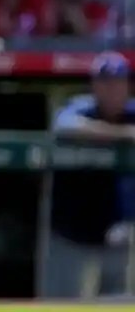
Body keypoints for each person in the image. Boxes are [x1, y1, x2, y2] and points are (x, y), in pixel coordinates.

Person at [43, 52, 135, 299]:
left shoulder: (132, 113)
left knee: (117, 302)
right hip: (72, 232)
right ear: (94, 85)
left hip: (117, 233)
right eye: (105, 82)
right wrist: (121, 135)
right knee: (60, 303)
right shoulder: (79, 109)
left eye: (118, 82)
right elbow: (64, 125)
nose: (112, 89)